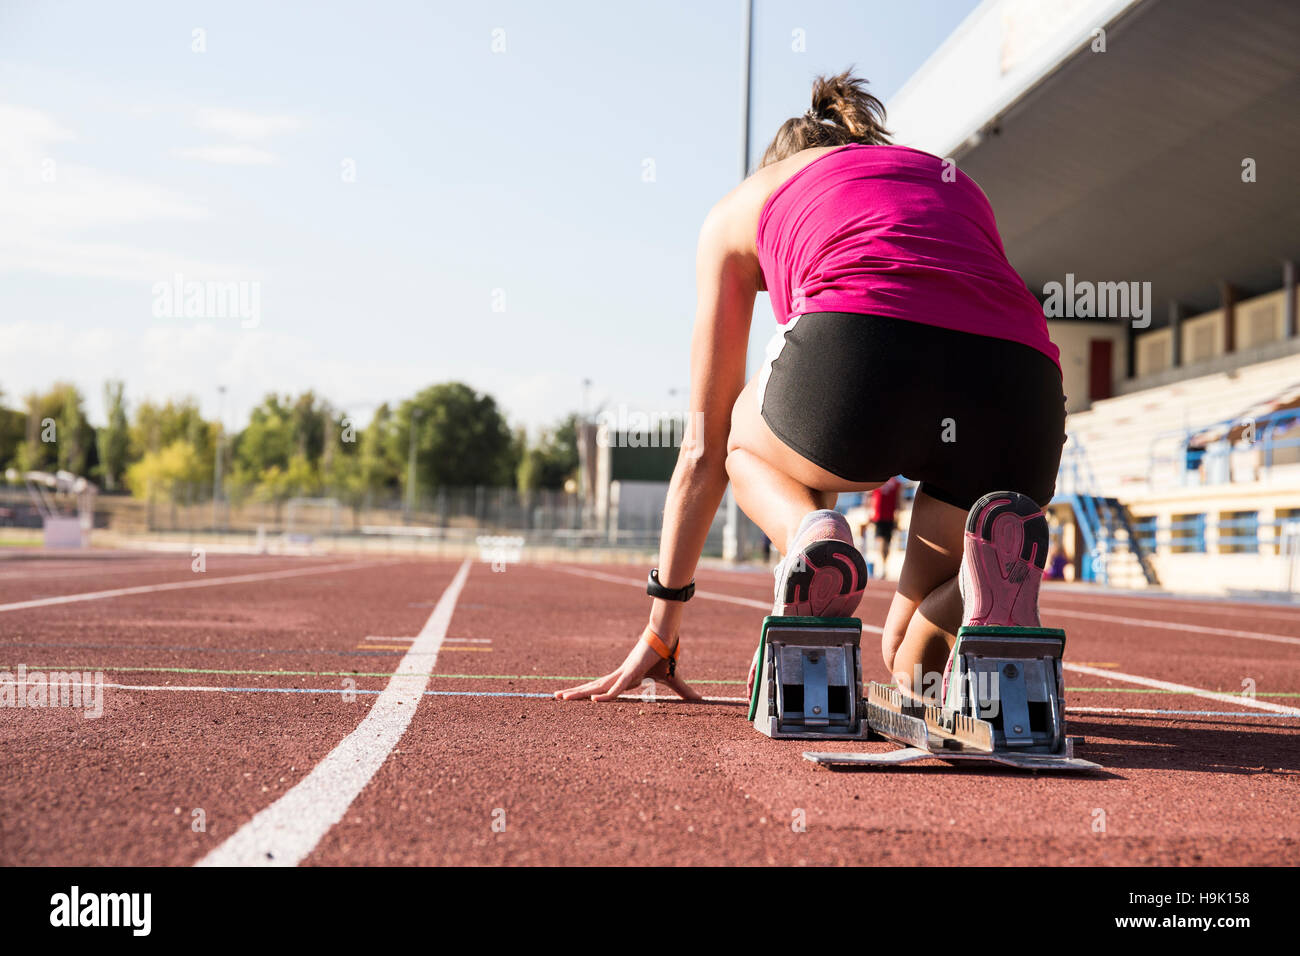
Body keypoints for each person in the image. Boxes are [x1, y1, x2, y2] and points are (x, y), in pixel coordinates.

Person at [556, 70, 1065, 705]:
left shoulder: (739, 208)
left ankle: (814, 536)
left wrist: (663, 626)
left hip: (861, 349)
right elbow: (955, 309)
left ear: (779, 165)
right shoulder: (948, 179)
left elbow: (703, 447)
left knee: (739, 436)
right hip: (1021, 387)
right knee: (911, 665)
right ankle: (984, 571)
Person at [869, 476, 902, 577]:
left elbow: (871, 498)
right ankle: (882, 565)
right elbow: (899, 501)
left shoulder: (877, 480)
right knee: (884, 541)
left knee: (882, 541)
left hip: (881, 516)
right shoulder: (897, 483)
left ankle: (882, 566)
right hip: (885, 516)